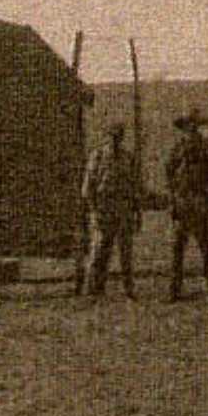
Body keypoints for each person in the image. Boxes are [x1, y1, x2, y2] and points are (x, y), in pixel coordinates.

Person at [163, 108, 208, 302]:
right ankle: (174, 290)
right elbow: (169, 174)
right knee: (177, 247)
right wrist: (173, 201)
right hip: (182, 201)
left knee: (206, 246)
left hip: (200, 201)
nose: (192, 128)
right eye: (189, 124)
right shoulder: (177, 148)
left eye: (196, 124)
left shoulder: (207, 147)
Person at [79, 119, 141, 298]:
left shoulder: (128, 158)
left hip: (123, 209)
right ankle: (93, 289)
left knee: (126, 252)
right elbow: (88, 188)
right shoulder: (98, 156)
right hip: (103, 208)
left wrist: (137, 213)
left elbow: (135, 187)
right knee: (99, 250)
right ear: (107, 136)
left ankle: (128, 289)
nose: (115, 139)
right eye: (113, 136)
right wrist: (94, 211)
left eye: (119, 136)